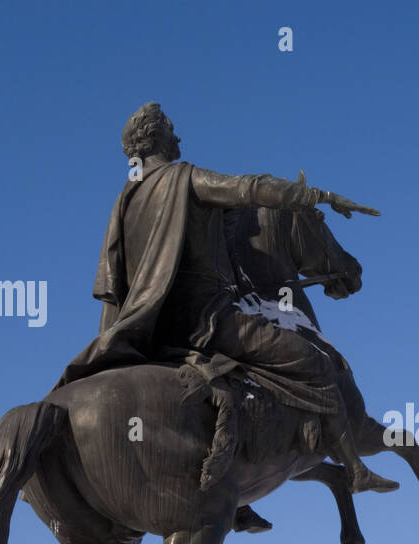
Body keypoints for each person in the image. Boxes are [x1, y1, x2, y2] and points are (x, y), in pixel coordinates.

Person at [54, 102, 397, 494]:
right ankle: (354, 468)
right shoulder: (181, 178)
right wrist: (315, 196)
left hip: (154, 328)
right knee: (315, 364)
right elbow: (249, 189)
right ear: (156, 138)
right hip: (208, 321)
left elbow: (113, 283)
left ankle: (241, 496)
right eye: (171, 129)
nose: (178, 137)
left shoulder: (125, 201)